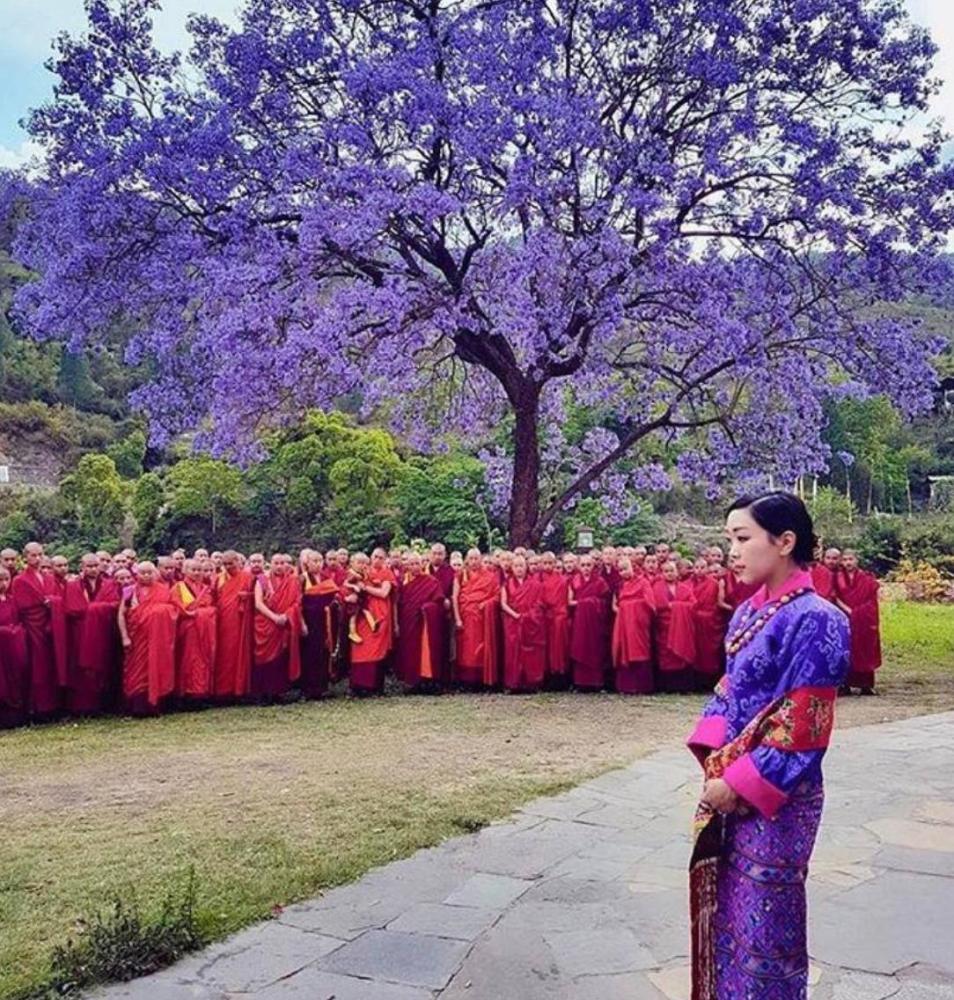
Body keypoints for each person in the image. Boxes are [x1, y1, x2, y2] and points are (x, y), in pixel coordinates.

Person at [687, 491, 848, 1000]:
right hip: (728, 782)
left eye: (741, 538)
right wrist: (713, 760)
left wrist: (735, 785)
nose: (731, 551)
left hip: (779, 796)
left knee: (766, 923)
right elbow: (729, 690)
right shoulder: (747, 613)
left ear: (785, 541)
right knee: (728, 916)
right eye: (728, 539)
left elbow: (805, 725)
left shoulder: (819, 619)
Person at [118, 561, 178, 716]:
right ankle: (137, 707)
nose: (146, 575)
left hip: (157, 642)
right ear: (136, 574)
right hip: (136, 639)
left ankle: (155, 705)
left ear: (155, 573)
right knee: (135, 672)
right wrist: (124, 636)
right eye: (142, 572)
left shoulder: (165, 591)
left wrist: (158, 612)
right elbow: (121, 615)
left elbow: (174, 612)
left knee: (156, 668)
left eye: (149, 572)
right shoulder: (129, 591)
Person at [63, 553, 121, 715]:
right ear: (82, 567)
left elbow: (115, 604)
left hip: (104, 631)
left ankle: (105, 705)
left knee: (105, 667)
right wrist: (94, 609)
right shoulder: (73, 586)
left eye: (95, 566)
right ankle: (84, 707)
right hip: (80, 632)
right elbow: (71, 608)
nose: (93, 569)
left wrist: (95, 609)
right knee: (83, 670)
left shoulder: (110, 584)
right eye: (89, 566)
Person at [11, 542, 63, 718]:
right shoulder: (19, 580)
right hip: (32, 628)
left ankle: (54, 706)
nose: (37, 558)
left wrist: (53, 603)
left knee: (50, 665)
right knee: (37, 667)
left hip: (50, 627)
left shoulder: (49, 578)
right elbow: (21, 607)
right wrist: (44, 604)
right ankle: (37, 708)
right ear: (25, 556)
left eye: (40, 554)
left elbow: (58, 598)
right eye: (33, 555)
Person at [252, 553, 303, 701]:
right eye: (276, 563)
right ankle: (262, 694)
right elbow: (258, 603)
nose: (280, 566)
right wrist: (274, 617)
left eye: (282, 563)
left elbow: (297, 602)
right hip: (266, 623)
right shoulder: (262, 580)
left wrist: (286, 615)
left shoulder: (292, 581)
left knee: (280, 658)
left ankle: (278, 692)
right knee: (263, 657)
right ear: (270, 564)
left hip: (283, 623)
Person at [395, 551, 447, 690]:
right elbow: (398, 603)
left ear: (422, 564)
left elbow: (439, 602)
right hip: (408, 621)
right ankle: (413, 682)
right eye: (411, 564)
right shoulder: (402, 582)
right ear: (407, 566)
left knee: (426, 652)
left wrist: (428, 608)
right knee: (411, 652)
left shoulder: (431, 581)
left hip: (426, 625)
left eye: (417, 563)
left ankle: (429, 681)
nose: (415, 567)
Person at [346, 549, 393, 695]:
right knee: (359, 648)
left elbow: (384, 593)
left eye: (381, 557)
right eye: (375, 557)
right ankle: (358, 686)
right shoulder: (361, 572)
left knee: (376, 649)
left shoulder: (387, 573)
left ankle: (375, 687)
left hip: (379, 615)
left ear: (385, 559)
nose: (377, 560)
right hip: (362, 614)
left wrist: (365, 588)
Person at [834, 550, 882, 695]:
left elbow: (871, 601)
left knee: (865, 648)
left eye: (851, 559)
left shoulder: (866, 578)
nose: (848, 563)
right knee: (845, 649)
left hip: (863, 621)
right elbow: (833, 596)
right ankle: (845, 685)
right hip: (844, 617)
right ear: (841, 562)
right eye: (845, 560)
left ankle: (866, 685)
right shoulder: (837, 578)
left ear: (856, 560)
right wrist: (848, 610)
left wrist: (857, 613)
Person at [453, 548, 501, 688]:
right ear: (467, 560)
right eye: (471, 558)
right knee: (465, 650)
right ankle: (467, 681)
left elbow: (497, 595)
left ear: (481, 559)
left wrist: (487, 603)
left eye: (476, 558)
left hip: (483, 619)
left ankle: (482, 680)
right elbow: (455, 597)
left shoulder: (490, 576)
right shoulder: (461, 574)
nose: (474, 562)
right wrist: (457, 618)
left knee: (481, 648)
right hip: (466, 617)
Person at [171, 558, 217, 703]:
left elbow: (213, 608)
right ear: (184, 570)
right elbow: (176, 607)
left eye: (199, 570)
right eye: (193, 569)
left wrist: (203, 613)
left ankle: (201, 693)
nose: (197, 573)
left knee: (203, 660)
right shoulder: (178, 587)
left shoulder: (206, 588)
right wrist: (192, 613)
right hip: (188, 631)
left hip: (204, 631)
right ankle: (187, 694)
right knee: (189, 660)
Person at [500, 554, 546, 693]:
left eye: (521, 566)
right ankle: (514, 684)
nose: (519, 569)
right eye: (516, 566)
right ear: (512, 568)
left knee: (532, 653)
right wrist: (515, 615)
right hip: (513, 622)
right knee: (513, 653)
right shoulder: (506, 584)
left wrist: (528, 616)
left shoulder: (536, 584)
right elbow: (503, 603)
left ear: (526, 567)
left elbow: (539, 604)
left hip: (531, 623)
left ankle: (531, 684)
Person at [611, 555, 655, 694]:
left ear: (633, 567)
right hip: (623, 623)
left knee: (640, 650)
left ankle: (642, 687)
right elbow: (614, 605)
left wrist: (630, 607)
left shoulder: (643, 582)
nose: (623, 572)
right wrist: (622, 609)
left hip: (638, 623)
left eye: (626, 568)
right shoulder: (619, 585)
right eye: (620, 570)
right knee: (623, 649)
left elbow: (650, 603)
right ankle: (626, 687)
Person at [214, 550, 254, 701]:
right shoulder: (219, 578)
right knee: (224, 655)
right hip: (223, 621)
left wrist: (248, 597)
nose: (228, 566)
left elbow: (259, 597)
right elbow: (214, 598)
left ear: (238, 561)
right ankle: (224, 691)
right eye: (225, 564)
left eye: (231, 563)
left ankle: (241, 689)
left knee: (240, 654)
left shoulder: (248, 577)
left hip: (241, 621)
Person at [651, 560, 697, 693]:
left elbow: (694, 604)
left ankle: (683, 687)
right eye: (666, 571)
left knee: (681, 655)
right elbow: (655, 605)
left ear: (676, 572)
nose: (669, 574)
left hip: (682, 628)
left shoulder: (685, 588)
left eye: (671, 570)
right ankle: (668, 687)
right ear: (662, 573)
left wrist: (676, 606)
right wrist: (671, 606)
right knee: (666, 655)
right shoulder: (657, 588)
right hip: (664, 626)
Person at [299, 549, 339, 699]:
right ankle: (308, 689)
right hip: (309, 621)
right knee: (309, 653)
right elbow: (298, 603)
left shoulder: (325, 578)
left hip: (325, 620)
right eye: (314, 561)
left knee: (324, 652)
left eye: (320, 561)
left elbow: (336, 598)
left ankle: (322, 688)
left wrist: (334, 604)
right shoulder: (302, 579)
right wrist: (302, 623)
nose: (317, 564)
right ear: (306, 563)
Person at [568, 553, 610, 690]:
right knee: (580, 647)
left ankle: (596, 683)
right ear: (579, 566)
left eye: (588, 565)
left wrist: (589, 602)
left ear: (593, 566)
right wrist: (585, 602)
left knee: (596, 650)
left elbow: (605, 602)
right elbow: (569, 602)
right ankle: (580, 683)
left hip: (595, 623)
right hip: (579, 622)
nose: (586, 568)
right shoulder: (574, 580)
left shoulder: (600, 581)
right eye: (583, 565)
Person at [0, 566, 29, 728]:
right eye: (0, 580)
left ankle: (15, 718)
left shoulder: (12, 600)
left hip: (13, 649)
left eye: (6, 579)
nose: (3, 583)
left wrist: (17, 631)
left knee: (15, 680)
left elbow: (20, 621)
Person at [539, 551, 571, 688]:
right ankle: (545, 676)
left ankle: (560, 677)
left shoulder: (563, 580)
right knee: (545, 649)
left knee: (559, 648)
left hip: (559, 617)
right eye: (545, 563)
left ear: (555, 563)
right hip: (544, 618)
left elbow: (566, 600)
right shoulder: (536, 580)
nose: (547, 566)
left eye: (550, 563)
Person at [692, 558, 724, 690]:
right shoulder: (689, 583)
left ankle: (710, 682)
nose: (699, 571)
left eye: (702, 567)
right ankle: (697, 682)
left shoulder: (714, 583)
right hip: (694, 621)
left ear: (707, 568)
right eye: (697, 567)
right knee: (696, 652)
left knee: (709, 652)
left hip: (710, 621)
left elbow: (718, 603)